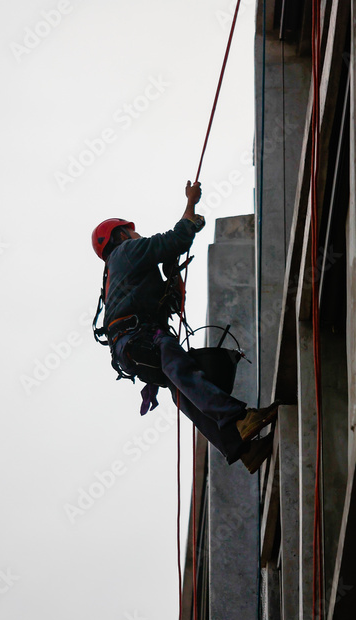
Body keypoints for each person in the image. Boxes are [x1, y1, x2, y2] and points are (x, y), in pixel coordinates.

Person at [91, 181, 277, 473]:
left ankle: (241, 449)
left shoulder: (123, 272)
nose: (137, 234)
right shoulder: (126, 252)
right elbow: (171, 240)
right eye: (132, 230)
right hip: (141, 339)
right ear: (121, 234)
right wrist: (190, 204)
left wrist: (174, 260)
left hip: (133, 346)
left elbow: (173, 301)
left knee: (183, 389)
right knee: (184, 372)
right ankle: (238, 418)